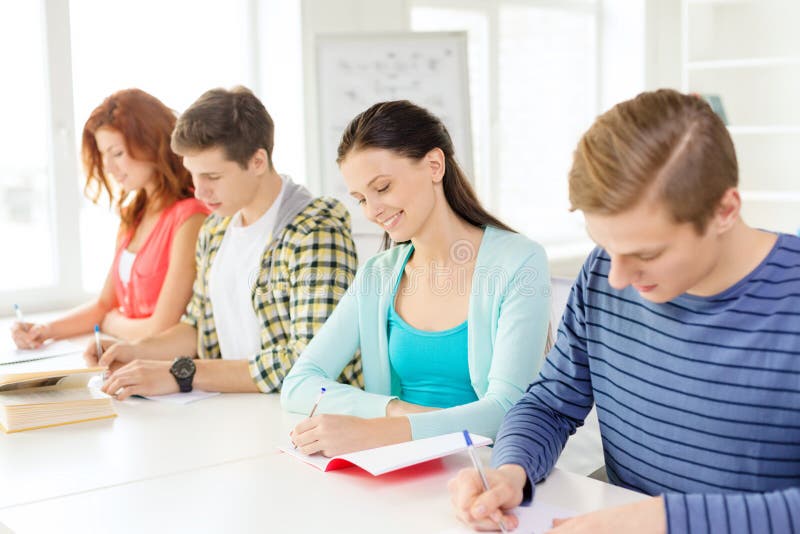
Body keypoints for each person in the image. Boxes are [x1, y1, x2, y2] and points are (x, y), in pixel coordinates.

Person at [448, 89, 800, 533]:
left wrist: (662, 519)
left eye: (646, 254)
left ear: (724, 211)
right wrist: (510, 471)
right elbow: (550, 405)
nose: (617, 278)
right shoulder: (603, 275)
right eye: (605, 246)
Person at [282, 100, 551, 457]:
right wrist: (392, 412)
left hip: (484, 469)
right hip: (397, 463)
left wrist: (382, 431)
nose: (372, 211)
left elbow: (506, 410)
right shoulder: (378, 274)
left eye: (383, 187)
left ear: (434, 165)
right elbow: (300, 383)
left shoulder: (519, 261)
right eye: (361, 198)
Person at [88, 86, 361, 397]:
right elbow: (198, 328)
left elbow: (308, 364)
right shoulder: (216, 230)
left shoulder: (315, 233)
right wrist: (136, 350)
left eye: (213, 177)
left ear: (258, 161)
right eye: (193, 175)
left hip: (309, 422)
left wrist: (181, 373)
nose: (200, 192)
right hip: (238, 411)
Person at [11, 89, 209, 348]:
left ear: (152, 143)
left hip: (162, 368)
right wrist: (45, 330)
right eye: (104, 155)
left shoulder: (190, 217)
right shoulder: (134, 214)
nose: (109, 167)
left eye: (117, 153)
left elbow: (161, 328)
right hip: (128, 357)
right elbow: (105, 304)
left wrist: (111, 323)